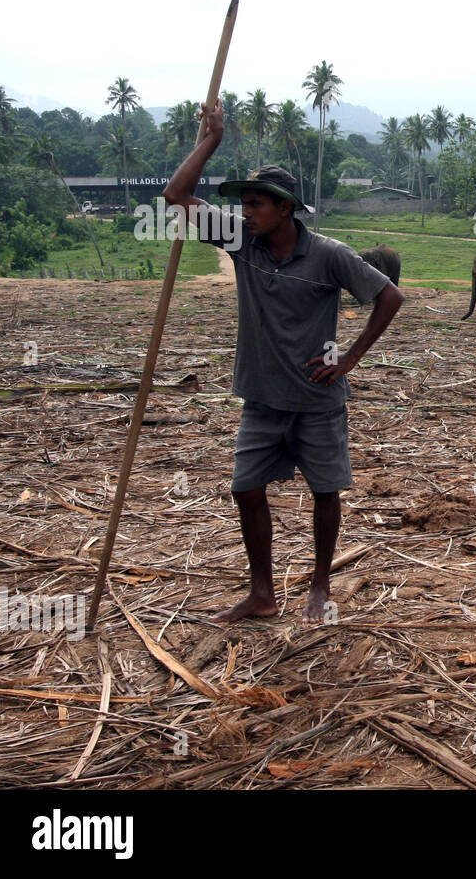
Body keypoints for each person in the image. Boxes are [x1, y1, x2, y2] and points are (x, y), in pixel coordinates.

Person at [163, 102, 403, 622]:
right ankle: (263, 594)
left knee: (325, 491)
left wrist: (350, 357)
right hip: (262, 397)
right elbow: (176, 197)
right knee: (246, 488)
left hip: (317, 399)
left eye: (255, 205)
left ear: (285, 208)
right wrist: (211, 140)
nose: (245, 213)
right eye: (243, 204)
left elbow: (389, 297)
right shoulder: (240, 242)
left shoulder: (329, 254)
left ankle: (320, 585)